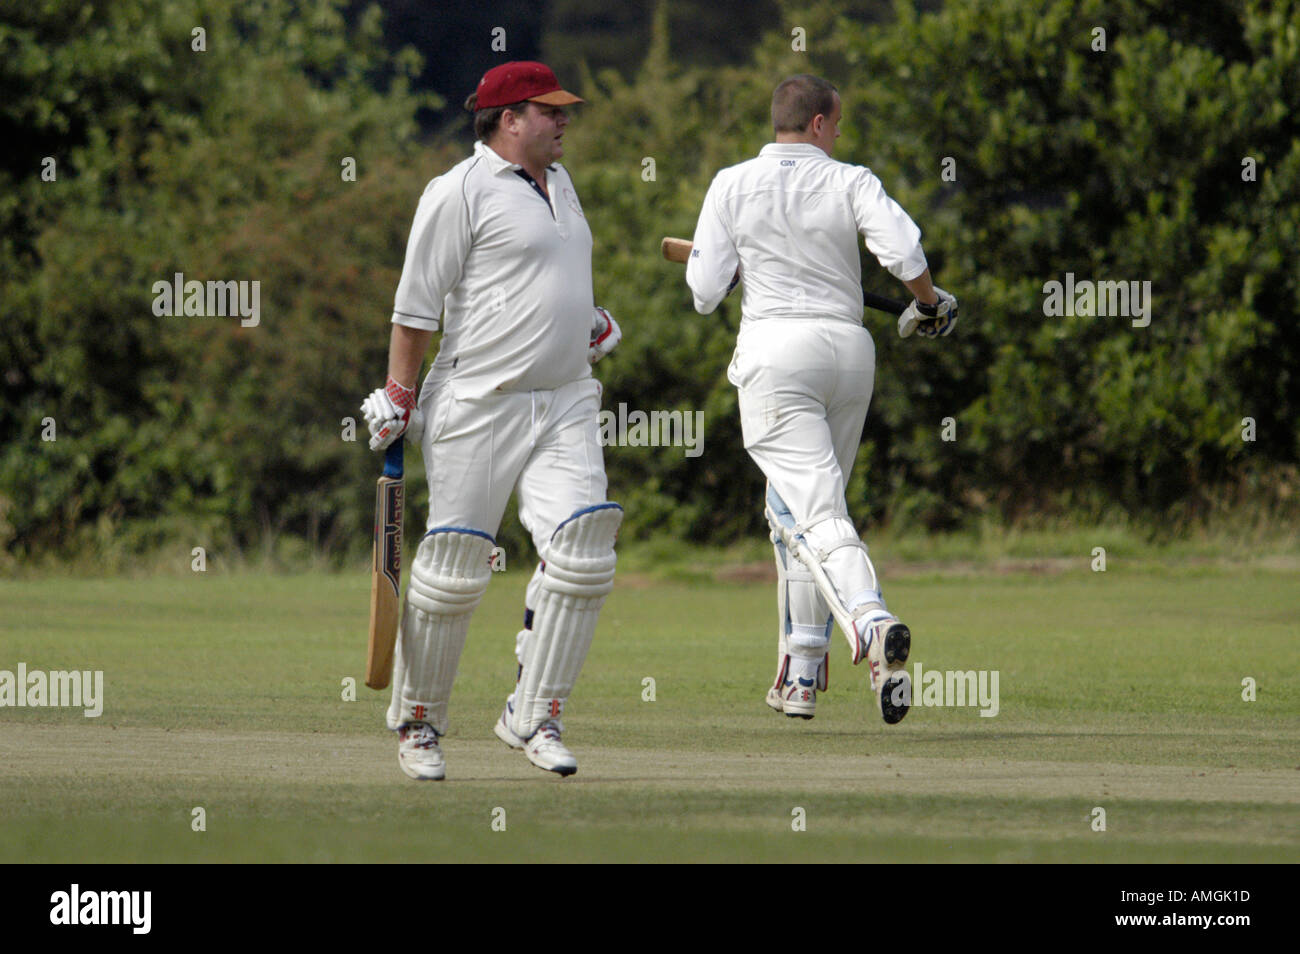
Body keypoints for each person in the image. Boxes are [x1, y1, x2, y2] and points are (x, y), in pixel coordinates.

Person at [361, 61, 624, 780]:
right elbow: (416, 307)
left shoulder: (561, 186)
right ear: (510, 118)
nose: (564, 120)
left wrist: (587, 323)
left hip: (566, 396)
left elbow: (546, 281)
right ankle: (420, 725)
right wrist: (398, 393)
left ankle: (533, 714)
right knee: (451, 570)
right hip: (479, 400)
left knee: (584, 549)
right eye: (551, 111)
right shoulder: (458, 192)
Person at [685, 73, 958, 725]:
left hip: (778, 355)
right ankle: (801, 673)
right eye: (836, 123)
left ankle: (869, 620)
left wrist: (738, 266)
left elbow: (703, 291)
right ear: (815, 124)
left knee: (812, 514)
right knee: (800, 510)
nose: (840, 134)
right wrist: (927, 304)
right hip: (848, 353)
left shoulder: (730, 183)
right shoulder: (850, 180)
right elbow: (904, 249)